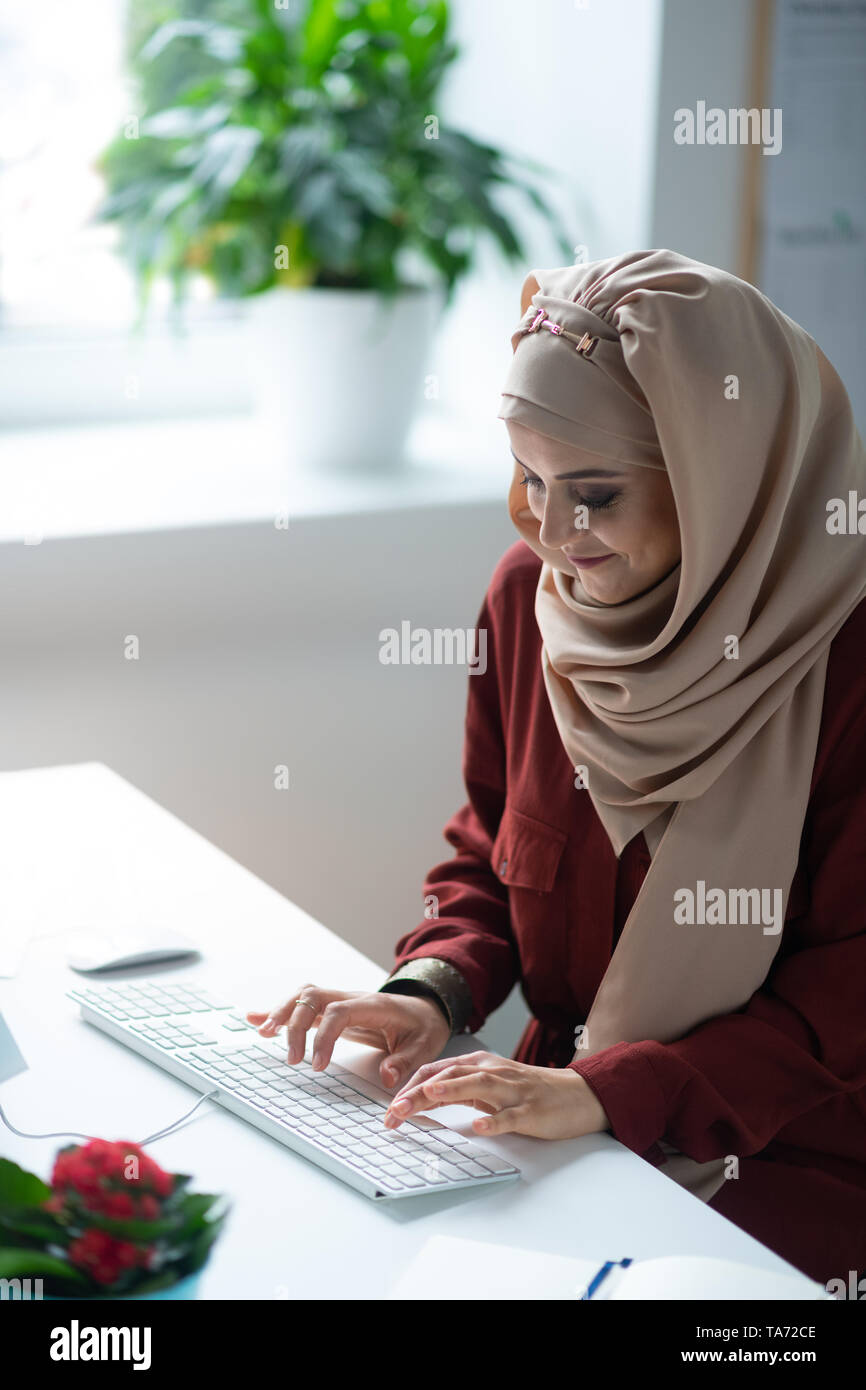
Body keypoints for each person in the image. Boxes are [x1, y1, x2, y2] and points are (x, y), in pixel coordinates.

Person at [248, 249, 866, 1285]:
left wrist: (617, 1093)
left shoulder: (843, 664)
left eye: (594, 492)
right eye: (529, 480)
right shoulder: (527, 605)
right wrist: (428, 992)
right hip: (556, 1115)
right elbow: (493, 854)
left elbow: (843, 995)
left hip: (790, 1160)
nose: (548, 529)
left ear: (723, 477)